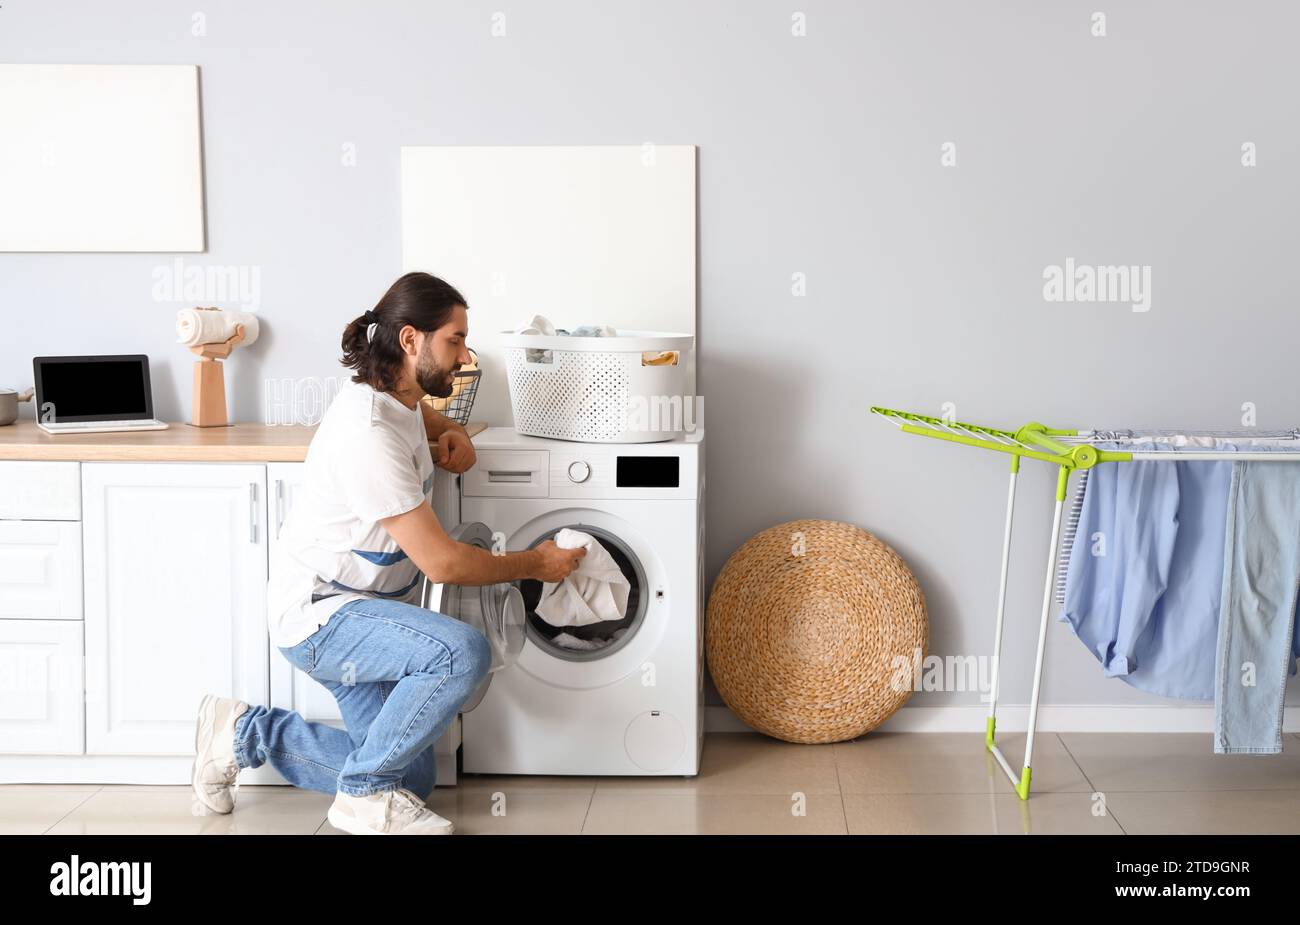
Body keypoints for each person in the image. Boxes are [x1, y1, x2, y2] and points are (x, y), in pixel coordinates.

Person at [189, 271, 585, 835]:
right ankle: (363, 795)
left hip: (372, 614)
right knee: (460, 654)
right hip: (324, 617)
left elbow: (422, 415)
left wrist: (454, 430)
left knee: (415, 779)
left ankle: (242, 732)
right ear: (410, 340)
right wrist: (533, 564)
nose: (465, 355)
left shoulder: (396, 396)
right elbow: (443, 564)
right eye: (455, 340)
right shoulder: (366, 434)